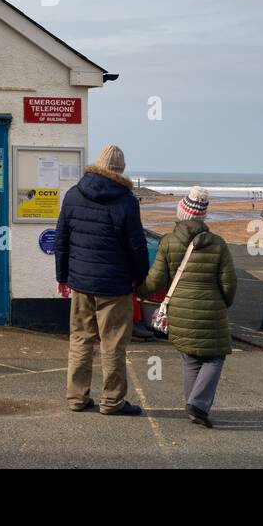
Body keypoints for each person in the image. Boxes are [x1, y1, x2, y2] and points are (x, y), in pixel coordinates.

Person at [54, 144, 149, 416]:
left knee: (81, 339)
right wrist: (139, 278)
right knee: (113, 343)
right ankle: (112, 401)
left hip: (81, 282)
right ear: (120, 170)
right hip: (115, 285)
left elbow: (61, 240)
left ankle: (76, 397)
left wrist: (62, 276)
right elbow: (137, 246)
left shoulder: (73, 195)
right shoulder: (127, 201)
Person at [137, 186, 237, 428]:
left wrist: (137, 293)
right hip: (211, 311)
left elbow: (156, 280)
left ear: (181, 213)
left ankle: (193, 405)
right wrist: (223, 303)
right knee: (214, 357)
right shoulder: (217, 243)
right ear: (202, 216)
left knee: (190, 358)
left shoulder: (168, 242)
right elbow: (229, 283)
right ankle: (198, 405)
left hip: (179, 311)